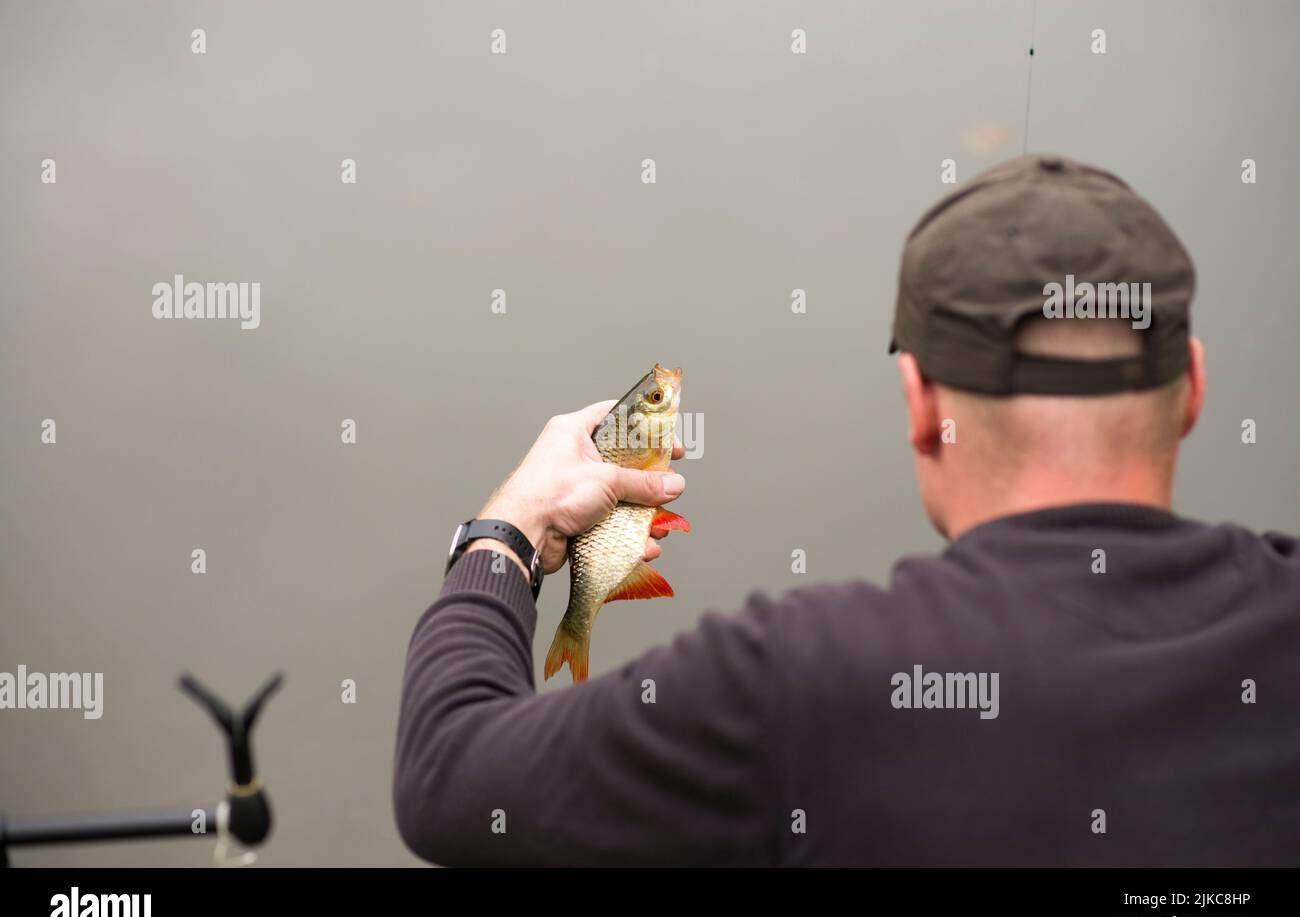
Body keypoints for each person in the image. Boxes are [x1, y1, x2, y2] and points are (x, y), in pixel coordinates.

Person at [392, 155, 1300, 866]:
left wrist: (508, 533)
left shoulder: (797, 682)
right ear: (1192, 388)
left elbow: (452, 777)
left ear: (919, 403)